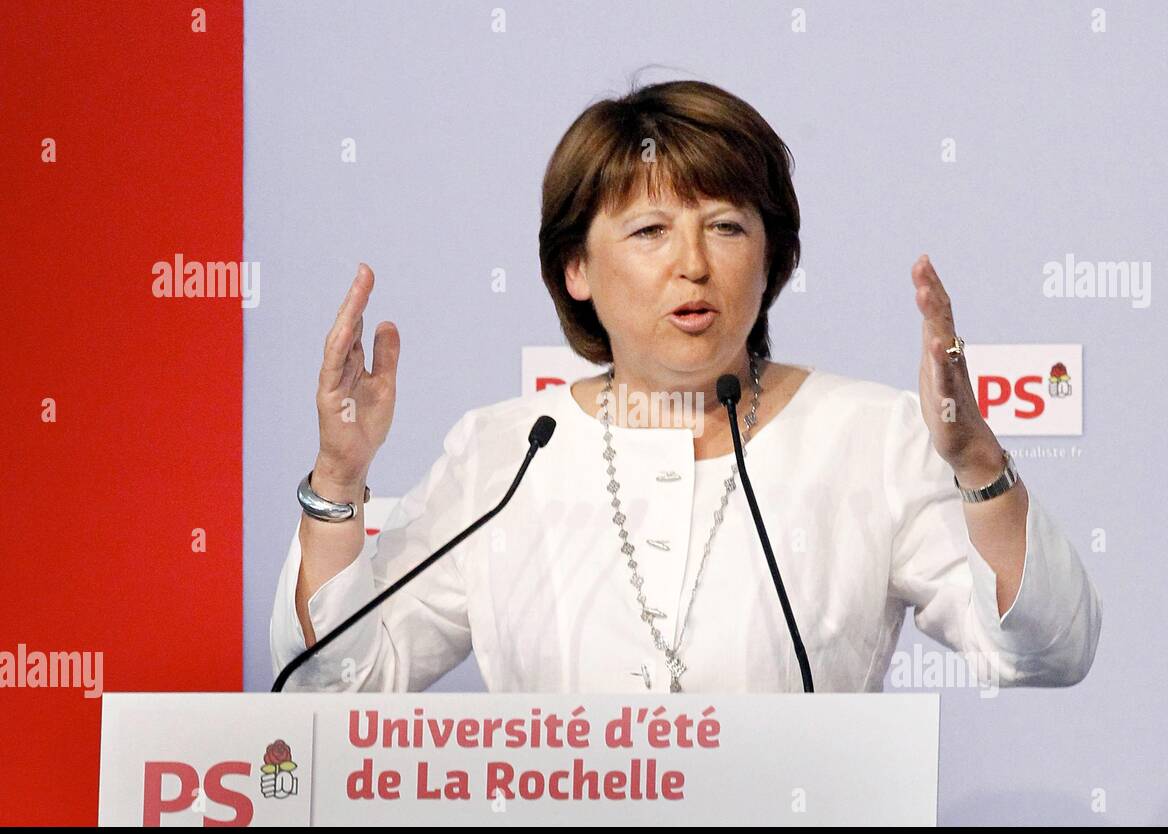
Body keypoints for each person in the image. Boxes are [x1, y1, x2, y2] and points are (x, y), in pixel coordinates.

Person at [269, 79, 1101, 693]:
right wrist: (339, 481)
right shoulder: (507, 451)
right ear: (577, 267)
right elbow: (336, 686)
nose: (694, 264)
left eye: (728, 227)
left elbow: (1045, 652)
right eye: (650, 230)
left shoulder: (868, 435)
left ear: (771, 257)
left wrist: (978, 463)